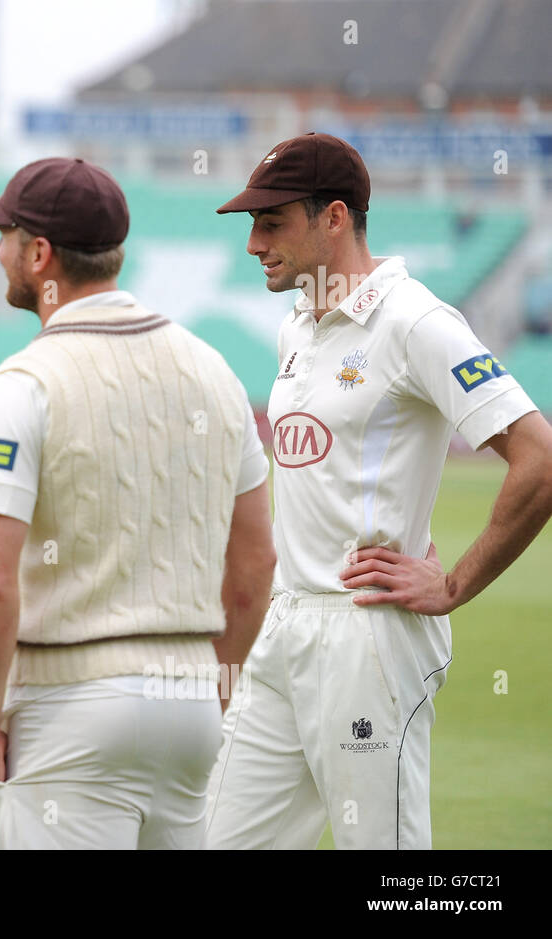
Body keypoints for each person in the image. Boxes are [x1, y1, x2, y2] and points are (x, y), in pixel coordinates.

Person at [207, 131, 552, 849]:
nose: (252, 243)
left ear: (335, 218)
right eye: (250, 223)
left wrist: (452, 581)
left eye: (271, 222)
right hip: (286, 624)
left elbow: (538, 458)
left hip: (368, 635)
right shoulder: (296, 327)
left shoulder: (417, 322)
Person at [0, 157, 276, 849]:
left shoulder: (23, 381)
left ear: (39, 253)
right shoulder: (215, 370)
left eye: (5, 235)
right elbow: (255, 565)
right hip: (191, 705)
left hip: (69, 708)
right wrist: (211, 681)